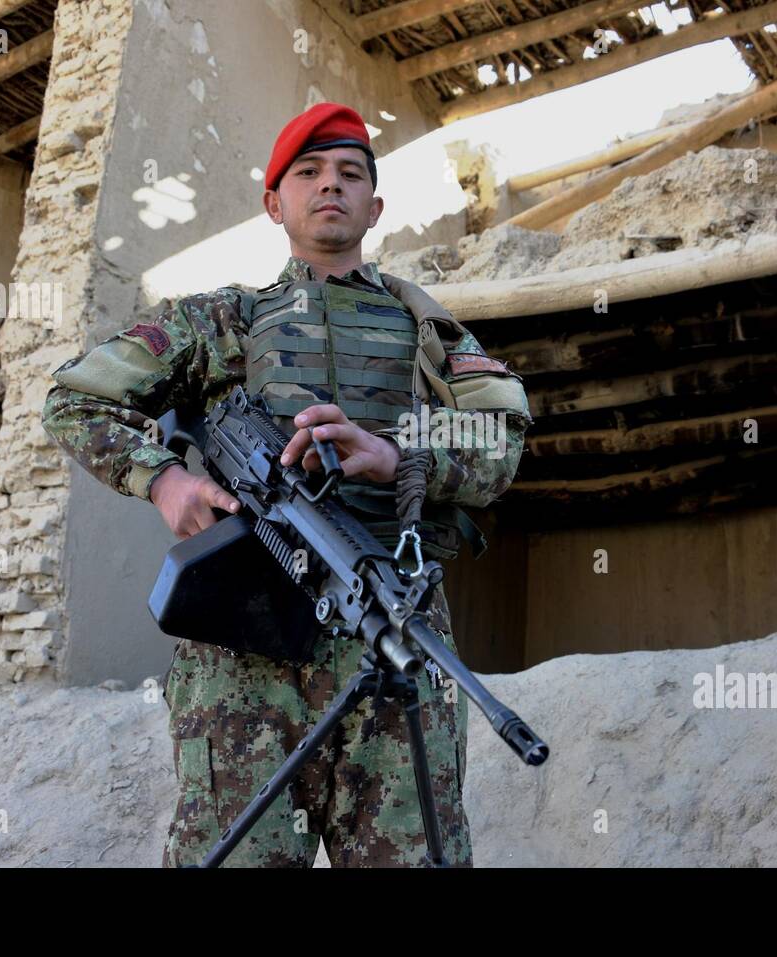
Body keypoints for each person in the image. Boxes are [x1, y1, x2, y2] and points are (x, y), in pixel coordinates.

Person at [41, 102, 533, 867]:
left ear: (375, 205)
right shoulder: (224, 321)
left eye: (349, 174)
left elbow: (500, 443)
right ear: (275, 203)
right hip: (246, 659)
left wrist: (397, 456)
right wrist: (163, 479)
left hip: (394, 639)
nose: (329, 186)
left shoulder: (433, 337)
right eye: (308, 173)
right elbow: (74, 398)